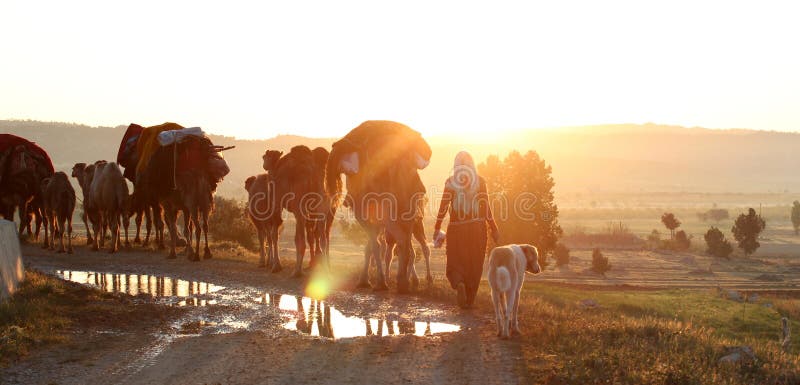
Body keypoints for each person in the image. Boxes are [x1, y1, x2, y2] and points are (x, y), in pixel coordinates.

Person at [433, 151, 499, 308]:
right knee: (474, 265)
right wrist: (494, 228)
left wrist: (437, 227)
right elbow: (487, 208)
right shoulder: (480, 182)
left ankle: (459, 283)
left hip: (456, 229)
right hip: (478, 229)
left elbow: (443, 206)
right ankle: (469, 302)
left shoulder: (450, 182)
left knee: (455, 263)